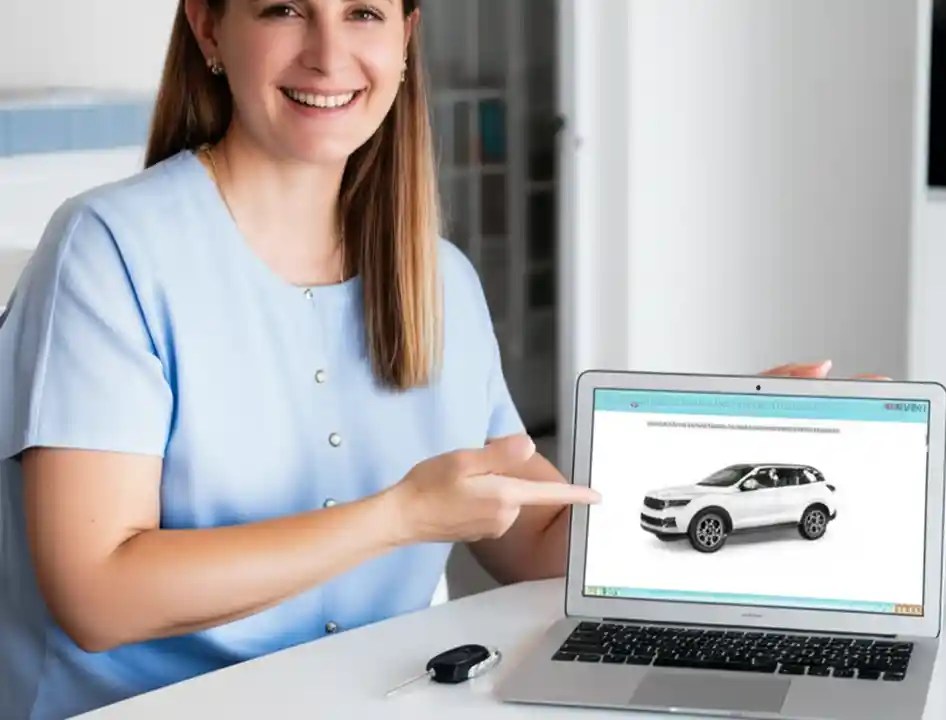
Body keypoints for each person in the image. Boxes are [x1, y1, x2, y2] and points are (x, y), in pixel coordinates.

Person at [0, 2, 841, 718]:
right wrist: (398, 517)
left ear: (404, 36)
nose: (329, 53)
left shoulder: (438, 278)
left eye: (364, 11)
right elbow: (99, 597)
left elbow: (536, 536)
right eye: (285, 8)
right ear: (209, 26)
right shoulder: (108, 250)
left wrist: (737, 439)